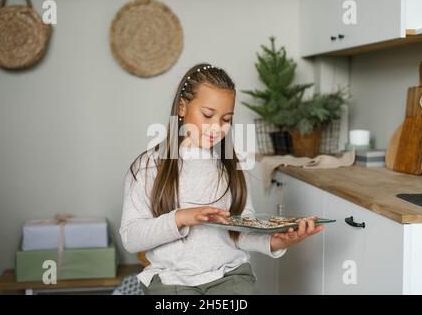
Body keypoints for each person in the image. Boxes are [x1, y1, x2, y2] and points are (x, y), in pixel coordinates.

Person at [119, 63, 324, 295]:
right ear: (182, 107)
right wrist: (182, 217)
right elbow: (131, 238)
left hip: (230, 276)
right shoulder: (148, 167)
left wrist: (278, 242)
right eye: (207, 115)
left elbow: (238, 232)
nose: (216, 127)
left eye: (226, 119)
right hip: (171, 280)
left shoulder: (233, 168)